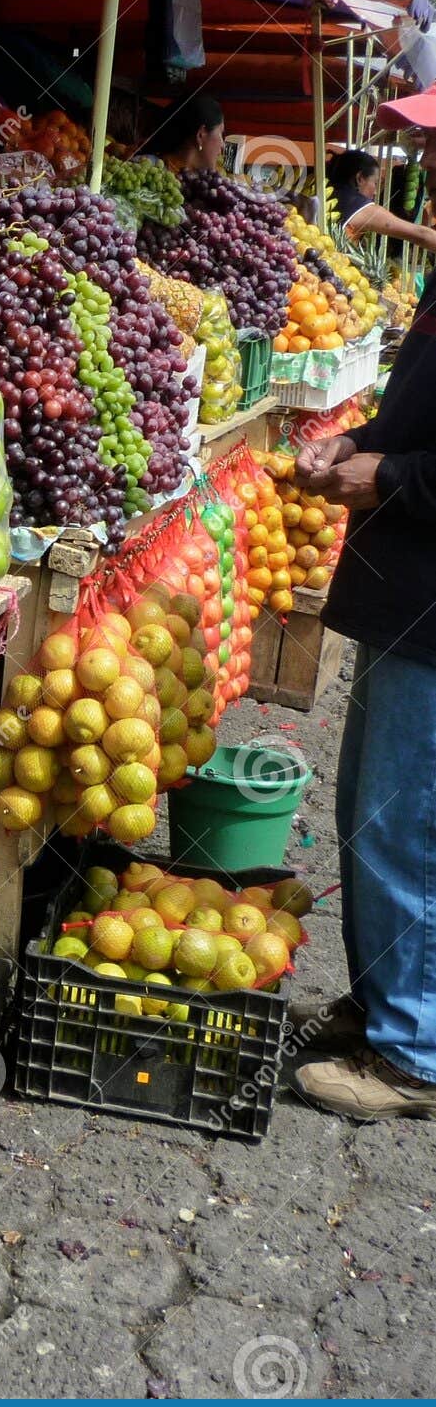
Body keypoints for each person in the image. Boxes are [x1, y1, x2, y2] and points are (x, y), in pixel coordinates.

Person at [290, 84, 436, 1119]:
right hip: (407, 590)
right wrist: (362, 442)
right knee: (377, 810)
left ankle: (412, 1052)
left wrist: (384, 478)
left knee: (400, 818)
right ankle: (392, 1002)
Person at [327, 146, 436, 255]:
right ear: (359, 178)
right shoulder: (359, 206)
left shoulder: (327, 193)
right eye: (375, 183)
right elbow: (421, 234)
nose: (375, 192)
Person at [141, 93, 225, 173]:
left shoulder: (204, 182)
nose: (223, 145)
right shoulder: (145, 170)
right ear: (200, 135)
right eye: (220, 133)